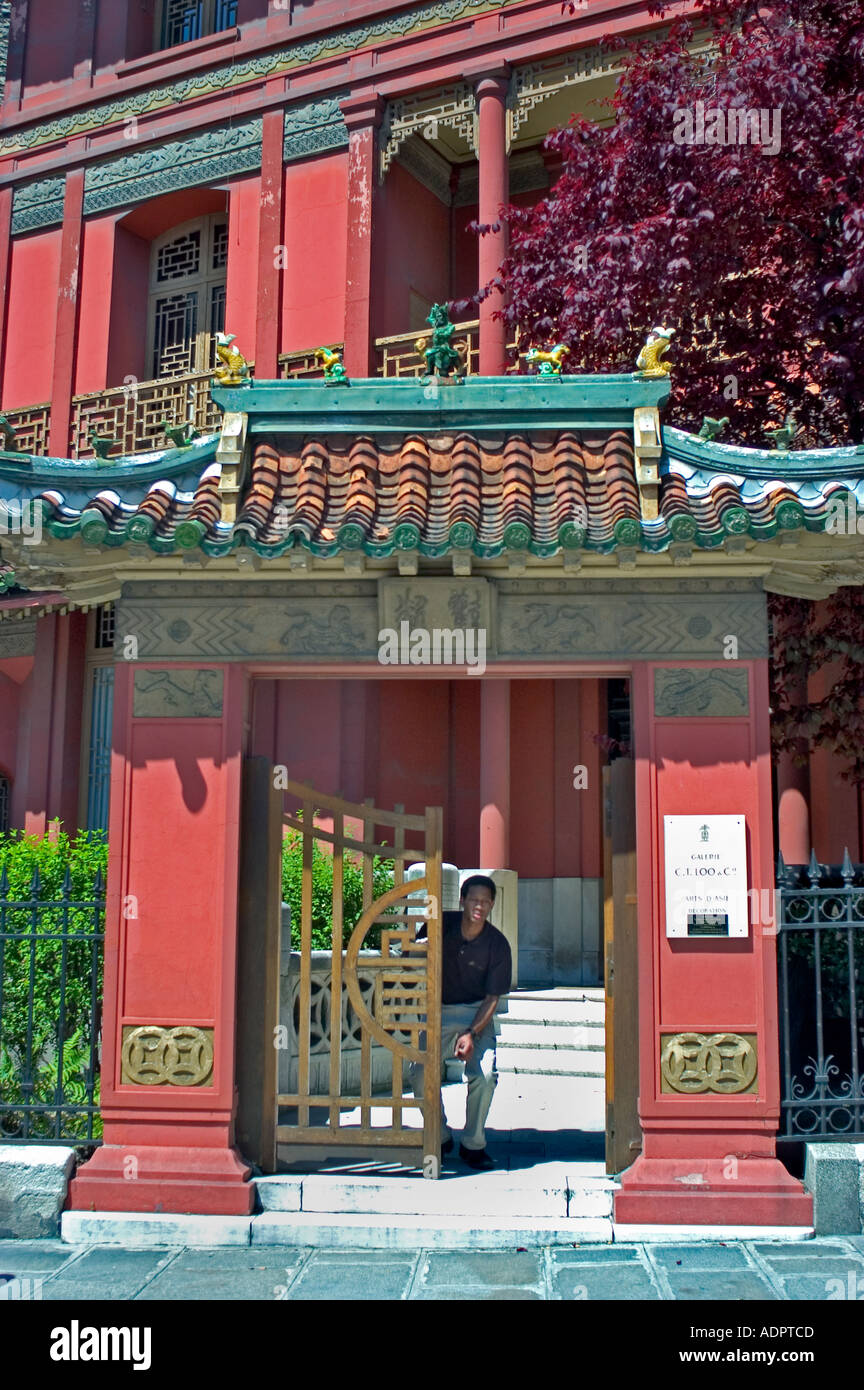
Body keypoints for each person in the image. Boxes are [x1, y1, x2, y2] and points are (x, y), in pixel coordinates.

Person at [411, 874, 512, 1171]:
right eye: (474, 900)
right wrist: (419, 947)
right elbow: (411, 955)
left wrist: (471, 1033)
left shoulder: (497, 944)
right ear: (462, 900)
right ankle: (440, 1136)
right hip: (438, 1009)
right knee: (419, 1072)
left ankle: (473, 1143)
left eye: (485, 901)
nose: (479, 906)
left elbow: (492, 998)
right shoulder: (440, 924)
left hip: (476, 1013)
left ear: (492, 905)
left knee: (485, 1074)